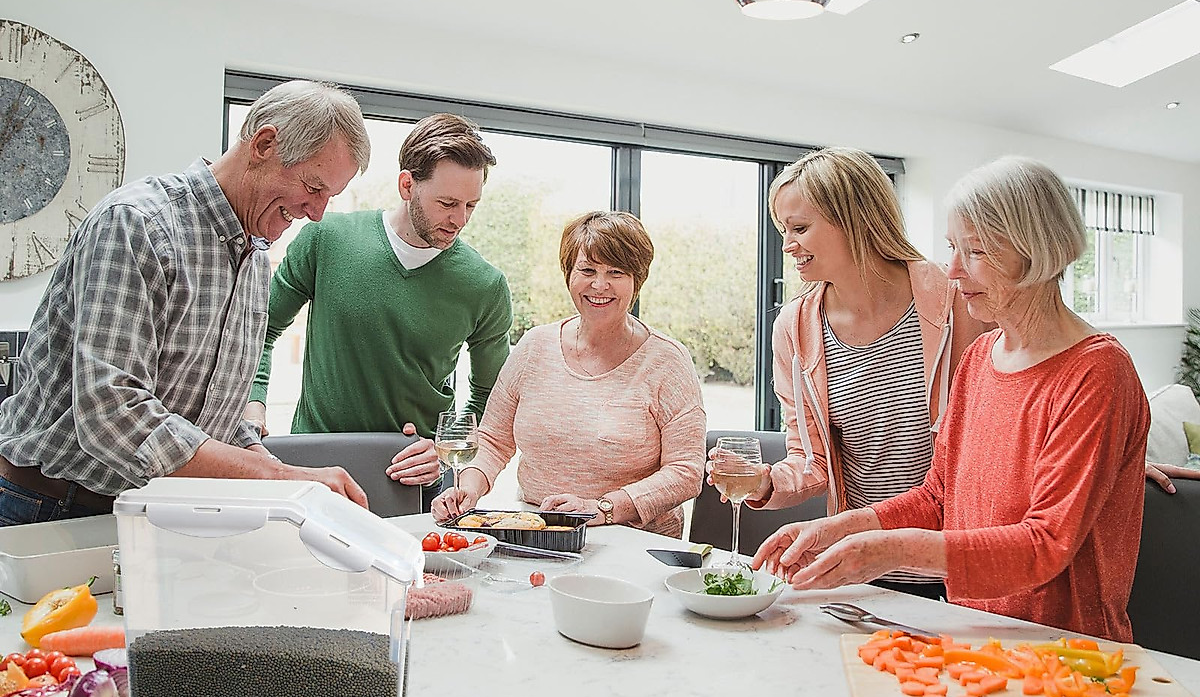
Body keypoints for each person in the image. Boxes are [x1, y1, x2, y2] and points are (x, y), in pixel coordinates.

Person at [755, 156, 1151, 642]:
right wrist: (842, 529)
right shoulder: (982, 356)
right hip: (971, 631)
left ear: (1040, 254)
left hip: (1066, 648)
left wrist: (891, 550)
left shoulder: (1098, 370)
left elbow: (1047, 543)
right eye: (952, 249)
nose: (955, 271)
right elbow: (939, 497)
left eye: (977, 252)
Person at [0, 80, 373, 527]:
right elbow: (111, 410)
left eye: (329, 196)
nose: (317, 212)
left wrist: (264, 463)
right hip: (47, 507)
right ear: (264, 144)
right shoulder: (139, 223)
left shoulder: (254, 258)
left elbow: (218, 412)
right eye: (314, 187)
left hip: (151, 514)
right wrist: (277, 475)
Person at [726, 147, 989, 598]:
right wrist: (765, 481)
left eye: (800, 228)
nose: (787, 244)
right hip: (861, 568)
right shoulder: (795, 328)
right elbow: (812, 461)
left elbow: (1022, 400)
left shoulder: (956, 298)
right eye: (783, 230)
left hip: (958, 566)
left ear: (855, 218)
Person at [246, 113, 512, 498]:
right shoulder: (325, 240)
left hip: (414, 482)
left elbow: (492, 398)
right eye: (447, 202)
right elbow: (258, 330)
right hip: (312, 471)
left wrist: (443, 452)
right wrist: (254, 402)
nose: (459, 220)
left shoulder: (485, 285)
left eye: (471, 205)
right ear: (407, 184)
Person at [428, 211, 705, 538]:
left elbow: (685, 472)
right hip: (536, 535)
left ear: (637, 280)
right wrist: (468, 489)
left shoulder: (667, 361)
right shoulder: (534, 346)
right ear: (568, 275)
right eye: (587, 270)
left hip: (632, 542)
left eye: (615, 272)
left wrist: (602, 507)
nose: (599, 285)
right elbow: (492, 439)